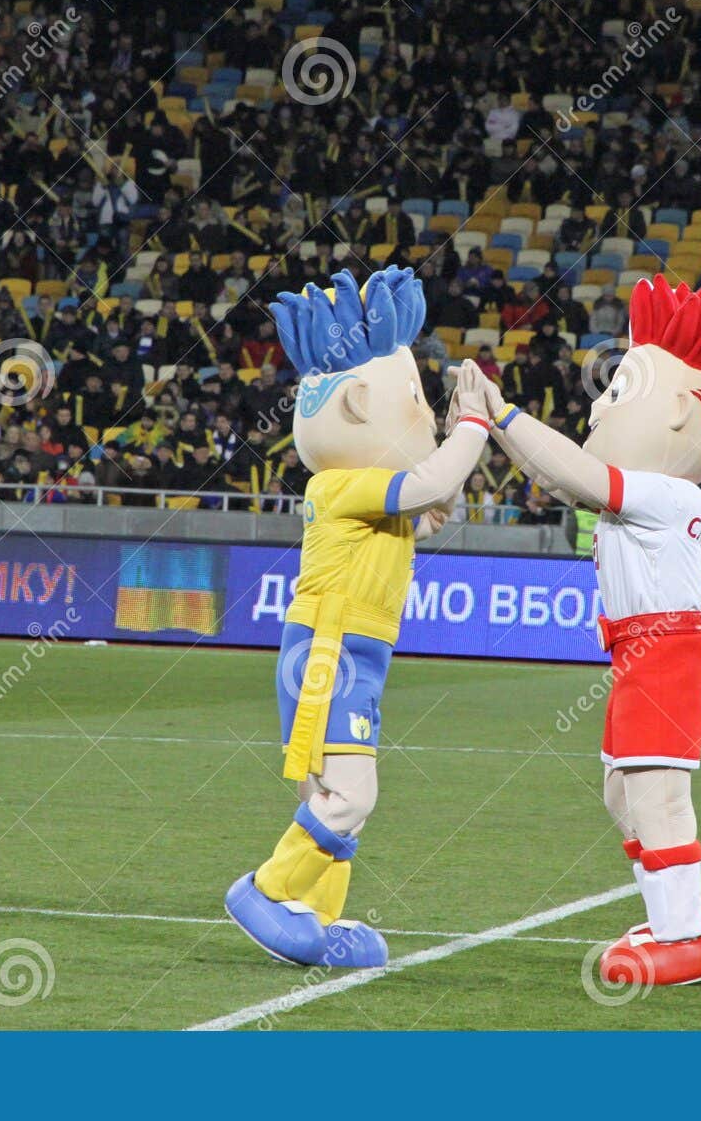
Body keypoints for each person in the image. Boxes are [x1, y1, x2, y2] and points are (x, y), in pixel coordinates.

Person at [459, 275, 701, 988]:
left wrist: (503, 414)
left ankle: (684, 935)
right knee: (621, 790)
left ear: (678, 412)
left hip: (664, 645)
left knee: (656, 792)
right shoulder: (643, 491)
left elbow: (576, 472)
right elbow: (563, 476)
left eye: (618, 389)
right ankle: (681, 910)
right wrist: (496, 426)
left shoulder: (666, 491)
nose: (599, 404)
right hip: (639, 647)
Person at [225, 268, 493, 970]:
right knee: (351, 790)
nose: (425, 414)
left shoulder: (368, 491)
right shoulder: (343, 482)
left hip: (351, 647)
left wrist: (452, 471)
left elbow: (435, 508)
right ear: (353, 405)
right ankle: (265, 889)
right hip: (330, 647)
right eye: (413, 398)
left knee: (338, 795)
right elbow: (434, 482)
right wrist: (472, 423)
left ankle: (320, 918)